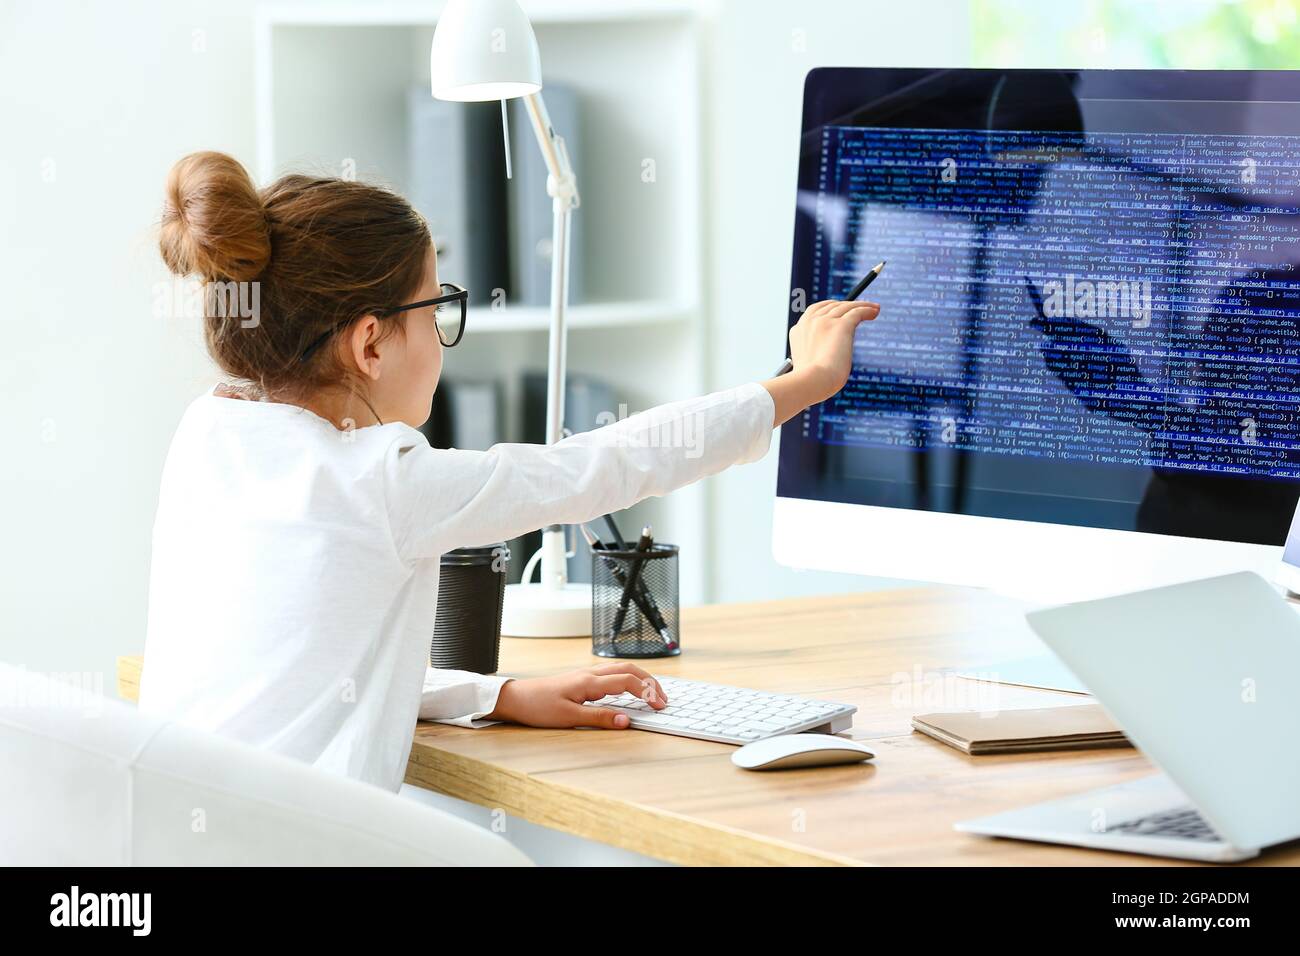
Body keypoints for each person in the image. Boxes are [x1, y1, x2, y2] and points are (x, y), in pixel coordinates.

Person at [138, 151, 880, 791]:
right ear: (370, 345)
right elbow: (604, 465)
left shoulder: (207, 432)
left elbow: (307, 670)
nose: (443, 335)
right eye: (436, 311)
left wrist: (496, 695)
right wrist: (806, 381)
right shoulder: (383, 480)